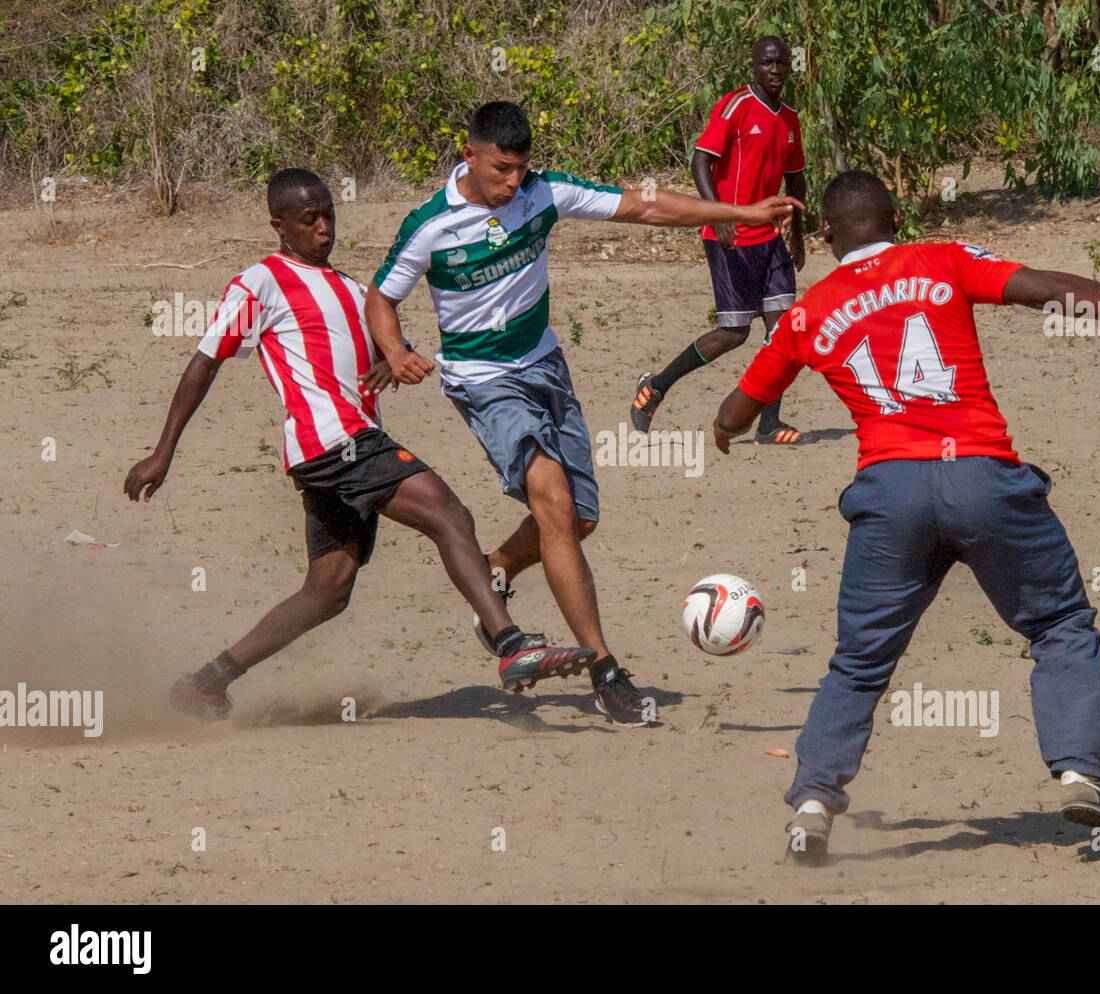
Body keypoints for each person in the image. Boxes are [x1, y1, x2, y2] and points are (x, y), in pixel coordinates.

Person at [712, 169, 1100, 864]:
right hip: (984, 478)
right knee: (1059, 624)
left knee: (861, 663)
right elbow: (1051, 290)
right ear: (896, 217)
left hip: (889, 494)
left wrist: (724, 423)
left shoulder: (810, 312)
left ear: (827, 234)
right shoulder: (944, 258)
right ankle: (1080, 774)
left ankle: (812, 805)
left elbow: (738, 410)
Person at [365, 101, 801, 726]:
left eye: (520, 169)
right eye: (500, 169)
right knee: (555, 503)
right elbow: (381, 296)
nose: (513, 182)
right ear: (469, 155)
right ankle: (605, 671)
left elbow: (646, 204)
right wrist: (396, 348)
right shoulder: (430, 225)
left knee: (578, 521)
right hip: (483, 379)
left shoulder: (544, 193)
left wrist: (741, 211)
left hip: (546, 366)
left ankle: (493, 572)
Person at [124, 169, 595, 719]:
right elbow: (205, 360)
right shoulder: (261, 282)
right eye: (309, 220)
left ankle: (205, 683)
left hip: (342, 449)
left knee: (329, 589)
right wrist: (164, 451)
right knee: (448, 513)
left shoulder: (351, 288)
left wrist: (394, 361)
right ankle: (510, 644)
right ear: (279, 225)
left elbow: (378, 347)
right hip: (335, 444)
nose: (324, 228)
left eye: (329, 214)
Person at [631, 35, 807, 445]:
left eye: (782, 63)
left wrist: (798, 231)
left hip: (770, 237)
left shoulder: (790, 118)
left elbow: (796, 177)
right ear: (753, 65)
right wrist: (718, 214)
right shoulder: (736, 106)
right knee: (734, 332)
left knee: (782, 332)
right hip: (729, 236)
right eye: (768, 63)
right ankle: (656, 386)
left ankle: (769, 423)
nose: (776, 70)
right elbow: (700, 161)